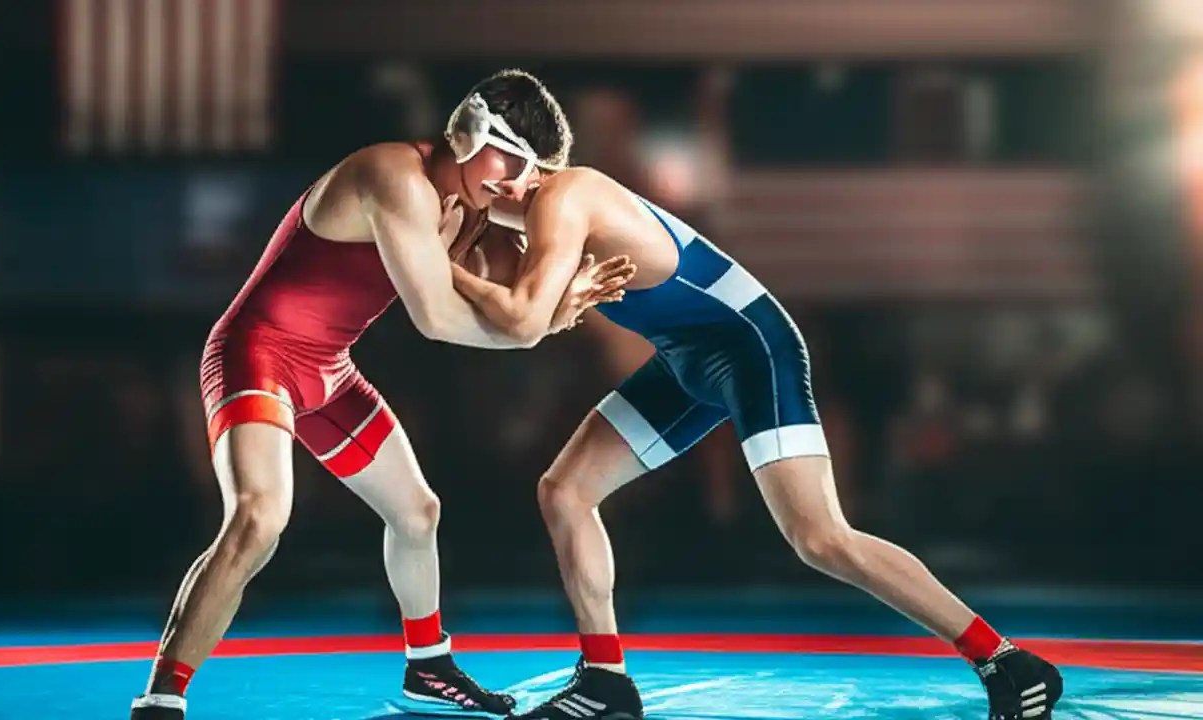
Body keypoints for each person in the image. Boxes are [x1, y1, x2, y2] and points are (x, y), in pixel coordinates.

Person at [441, 70, 1065, 720]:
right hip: (688, 356)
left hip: (749, 345)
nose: (457, 162)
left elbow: (520, 322)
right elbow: (522, 320)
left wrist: (448, 269)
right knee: (565, 492)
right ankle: (605, 682)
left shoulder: (565, 197)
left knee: (820, 537)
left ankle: (1008, 661)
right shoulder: (526, 222)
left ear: (511, 150)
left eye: (468, 142)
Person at [128, 77, 635, 718]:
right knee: (259, 519)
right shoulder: (394, 175)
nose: (518, 186)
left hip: (327, 367)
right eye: (516, 164)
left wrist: (556, 292)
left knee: (418, 513)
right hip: (258, 354)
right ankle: (162, 696)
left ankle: (428, 666)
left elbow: (532, 259)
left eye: (530, 176)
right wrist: (540, 322)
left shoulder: (476, 196)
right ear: (474, 133)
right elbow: (439, 320)